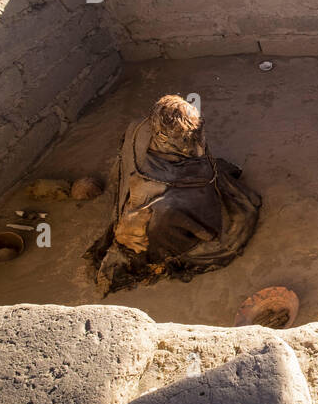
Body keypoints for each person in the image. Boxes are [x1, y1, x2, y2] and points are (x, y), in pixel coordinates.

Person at [89, 94, 261, 292]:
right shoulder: (161, 198)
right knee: (210, 213)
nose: (197, 142)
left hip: (158, 196)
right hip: (157, 223)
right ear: (163, 136)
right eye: (189, 137)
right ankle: (183, 243)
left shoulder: (138, 127)